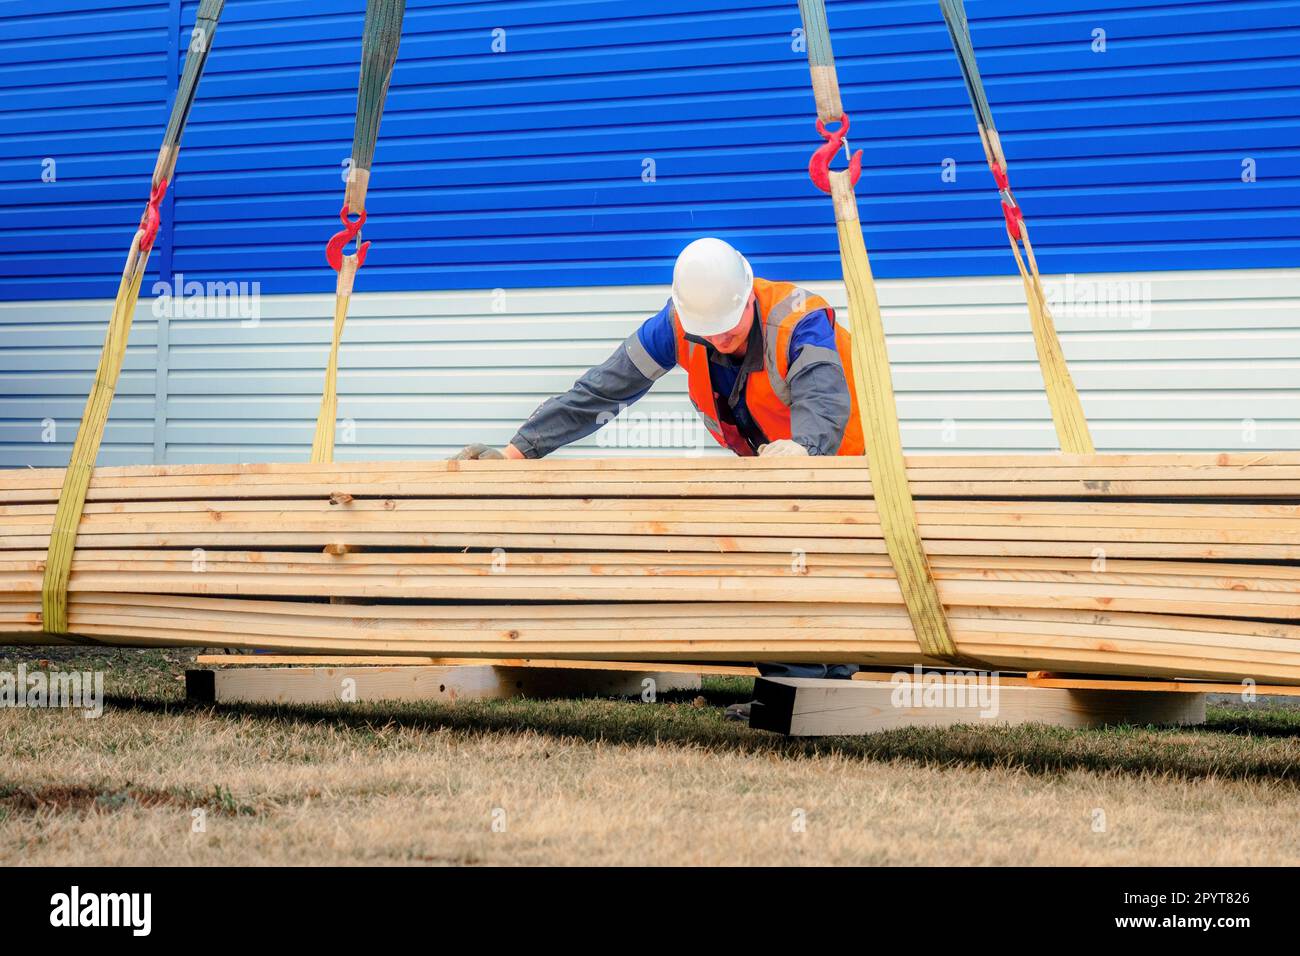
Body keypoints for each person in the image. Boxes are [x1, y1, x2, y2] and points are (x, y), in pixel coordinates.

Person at [455, 237, 863, 721]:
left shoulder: (799, 318)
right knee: (774, 573)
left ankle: (807, 702)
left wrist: (805, 453)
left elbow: (824, 401)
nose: (719, 341)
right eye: (707, 333)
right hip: (775, 472)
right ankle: (793, 701)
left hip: (842, 464)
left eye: (728, 329)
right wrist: (521, 449)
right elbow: (604, 389)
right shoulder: (679, 325)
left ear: (749, 294)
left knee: (819, 579)